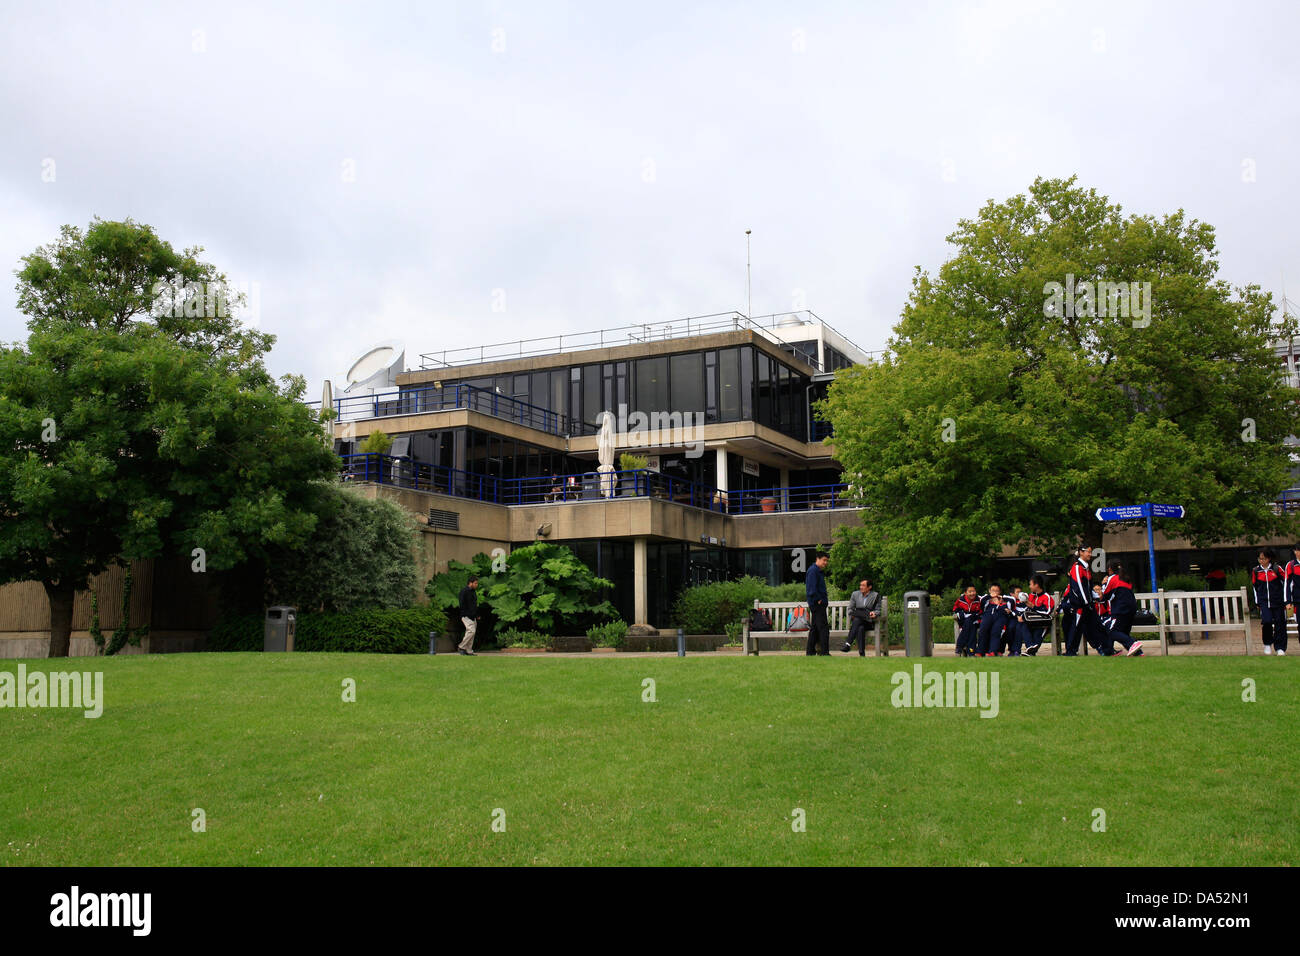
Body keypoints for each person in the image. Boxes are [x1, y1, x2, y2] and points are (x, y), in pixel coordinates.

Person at [1062, 544, 1107, 656]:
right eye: (1088, 552)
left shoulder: (1086, 568)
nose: (1090, 554)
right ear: (1081, 552)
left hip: (1086, 604)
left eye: (1090, 552)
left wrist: (1095, 597)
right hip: (1081, 605)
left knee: (1093, 626)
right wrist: (1087, 602)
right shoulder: (1077, 567)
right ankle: (1071, 651)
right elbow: (1079, 587)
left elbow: (1088, 587)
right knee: (1078, 628)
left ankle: (1105, 648)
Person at [1098, 561, 1142, 656]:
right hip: (1131, 608)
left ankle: (1133, 643)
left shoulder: (1112, 578)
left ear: (1109, 568)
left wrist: (1103, 584)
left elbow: (1105, 594)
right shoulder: (1125, 578)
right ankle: (1138, 652)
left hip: (1121, 608)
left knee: (1112, 631)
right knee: (1123, 632)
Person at [1252, 549, 1286, 656]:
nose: (1261, 561)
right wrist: (1257, 602)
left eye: (1264, 559)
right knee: (1266, 622)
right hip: (1264, 602)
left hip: (1278, 601)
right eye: (1259, 558)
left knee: (1279, 623)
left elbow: (1286, 582)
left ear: (1269, 559)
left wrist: (1285, 600)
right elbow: (1254, 587)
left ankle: (1280, 647)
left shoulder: (1277, 569)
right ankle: (1267, 644)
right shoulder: (1256, 571)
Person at [842, 578, 882, 656]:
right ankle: (861, 653)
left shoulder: (875, 595)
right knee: (860, 627)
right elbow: (850, 608)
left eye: (863, 585)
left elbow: (878, 610)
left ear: (869, 587)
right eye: (860, 585)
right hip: (858, 619)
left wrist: (874, 613)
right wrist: (852, 614)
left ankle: (848, 643)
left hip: (869, 621)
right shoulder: (855, 594)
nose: (861, 587)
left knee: (857, 621)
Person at [1017, 575, 1055, 656]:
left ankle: (1030, 651)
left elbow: (1047, 611)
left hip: (1043, 623)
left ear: (1036, 585)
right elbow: (1027, 609)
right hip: (1032, 621)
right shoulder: (1031, 596)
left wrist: (1033, 607)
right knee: (1022, 625)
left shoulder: (1046, 597)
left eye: (1030, 584)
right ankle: (1030, 647)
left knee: (1038, 632)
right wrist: (1022, 616)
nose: (1029, 586)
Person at [805, 552, 831, 656]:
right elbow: (811, 589)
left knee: (815, 629)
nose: (826, 563)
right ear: (818, 559)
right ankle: (824, 652)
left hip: (819, 604)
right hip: (817, 604)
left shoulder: (818, 571)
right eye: (824, 560)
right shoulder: (813, 571)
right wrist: (818, 599)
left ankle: (810, 651)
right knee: (823, 628)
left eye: (827, 561)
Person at [977, 584, 1013, 657]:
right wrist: (990, 597)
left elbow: (1012, 603)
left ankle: (992, 651)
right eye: (993, 590)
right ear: (989, 591)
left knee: (996, 632)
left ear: (1000, 591)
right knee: (983, 630)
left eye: (997, 591)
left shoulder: (1005, 599)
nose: (995, 592)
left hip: (1000, 617)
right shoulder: (986, 598)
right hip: (987, 616)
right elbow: (981, 603)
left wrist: (1001, 600)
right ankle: (980, 651)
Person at [953, 585, 982, 657]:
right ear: (965, 593)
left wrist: (974, 616)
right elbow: (955, 610)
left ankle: (959, 646)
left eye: (973, 591)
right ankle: (971, 651)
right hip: (963, 622)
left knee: (971, 623)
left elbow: (980, 612)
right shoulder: (960, 600)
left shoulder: (979, 600)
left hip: (975, 621)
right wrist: (962, 615)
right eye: (970, 592)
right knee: (970, 626)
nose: (972, 593)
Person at [1282, 544, 1300, 655]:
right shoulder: (1291, 565)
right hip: (1298, 600)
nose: (1297, 552)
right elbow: (1287, 584)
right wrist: (1287, 601)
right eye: (1296, 550)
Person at [458, 575, 480, 656]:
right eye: (475, 583)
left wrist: (476, 614)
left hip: (473, 616)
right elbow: (462, 604)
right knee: (471, 631)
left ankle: (469, 650)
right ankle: (461, 646)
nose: (476, 585)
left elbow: (474, 605)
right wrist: (466, 614)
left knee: (472, 633)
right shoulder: (463, 591)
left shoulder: (473, 592)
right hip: (466, 615)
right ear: (470, 583)